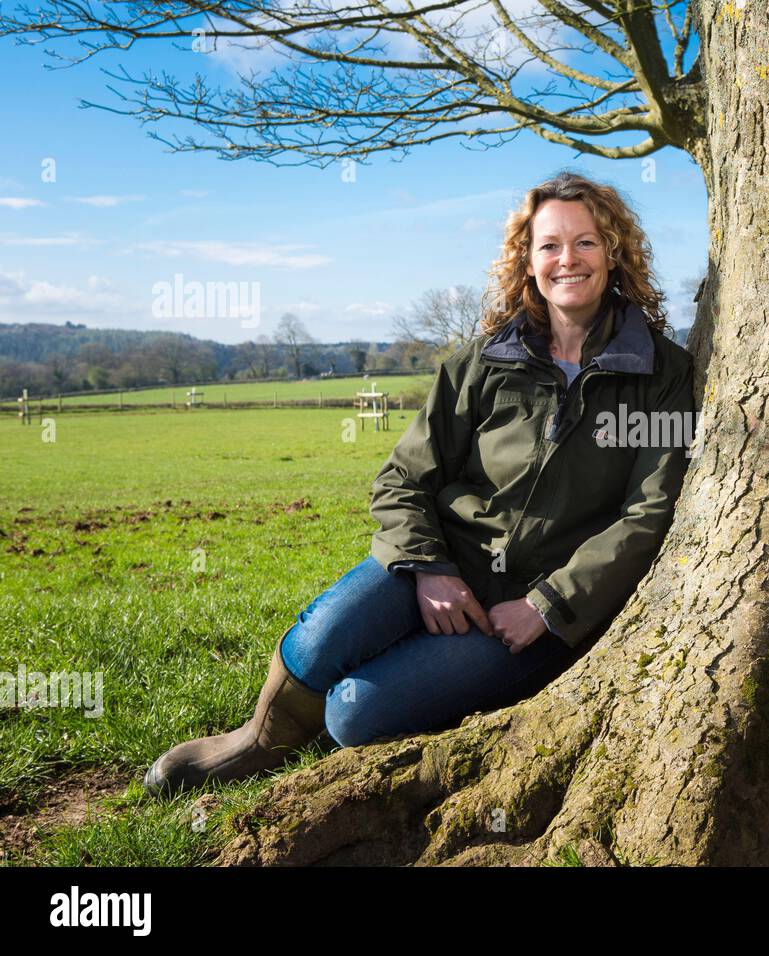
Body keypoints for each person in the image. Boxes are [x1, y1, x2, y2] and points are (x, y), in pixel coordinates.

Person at [143, 171, 697, 795]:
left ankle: (353, 714)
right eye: (549, 245)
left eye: (586, 242)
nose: (567, 259)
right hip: (438, 565)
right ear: (528, 258)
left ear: (614, 250)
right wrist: (430, 567)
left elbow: (647, 513)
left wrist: (548, 606)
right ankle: (256, 740)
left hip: (532, 611)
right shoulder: (489, 357)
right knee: (318, 641)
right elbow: (405, 474)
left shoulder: (662, 373)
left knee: (354, 712)